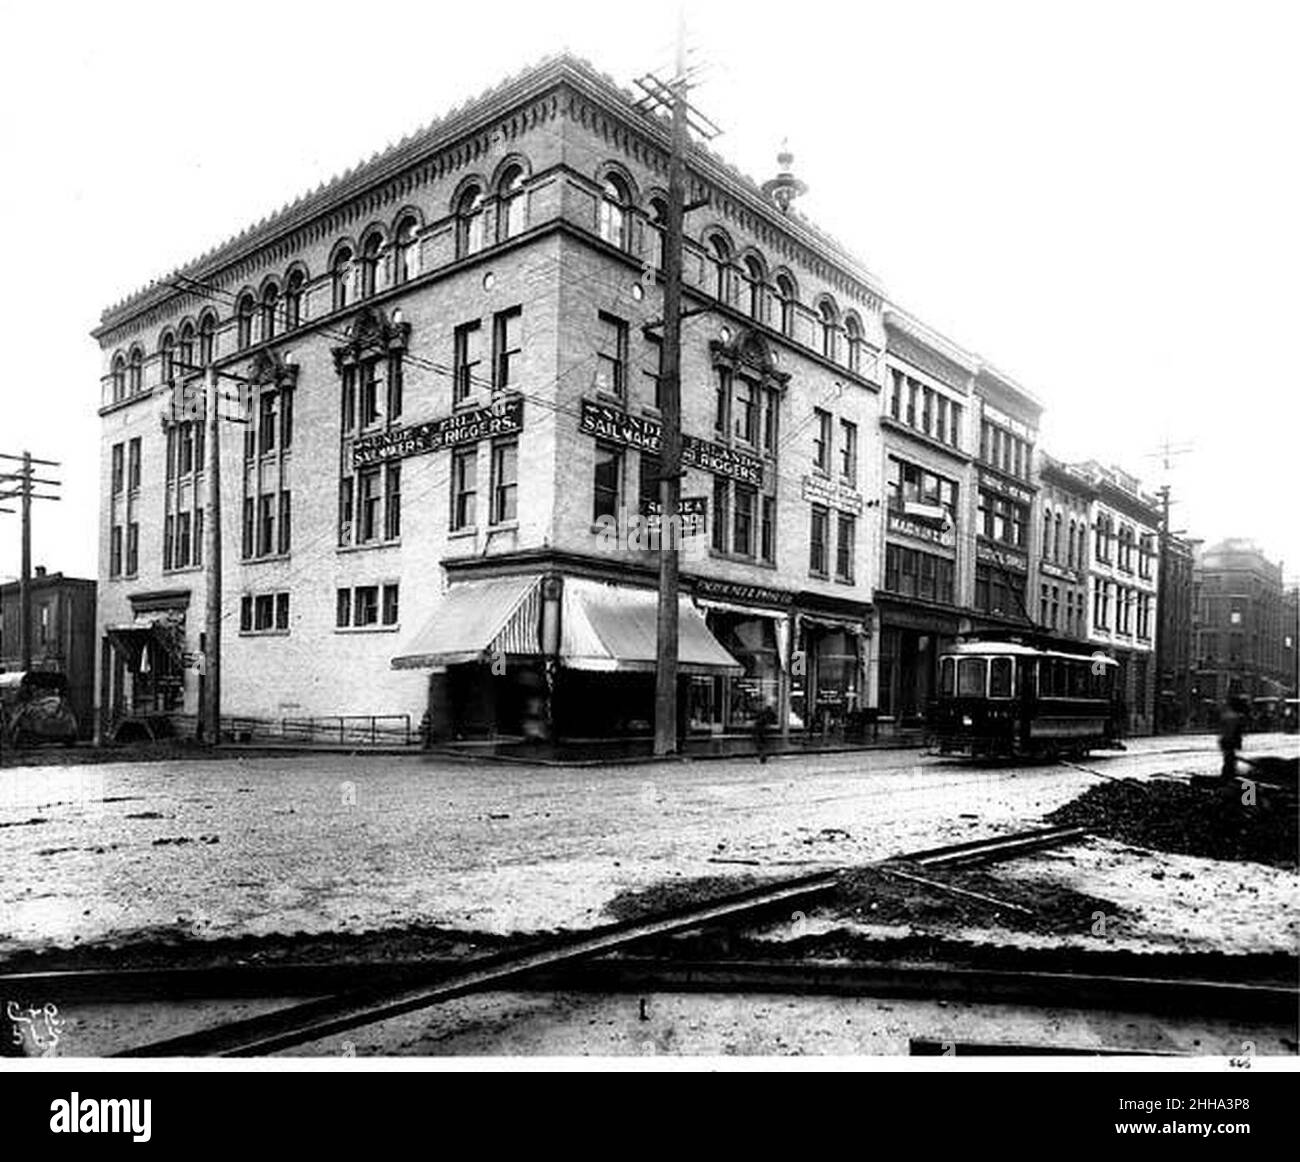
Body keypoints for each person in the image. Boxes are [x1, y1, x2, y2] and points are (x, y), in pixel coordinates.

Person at [1219, 696, 1246, 781]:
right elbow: (1235, 731)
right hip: (1230, 740)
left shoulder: (1227, 715)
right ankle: (1229, 775)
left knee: (1228, 758)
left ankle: (1227, 774)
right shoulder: (1236, 717)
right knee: (1230, 759)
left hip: (1225, 739)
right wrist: (1237, 742)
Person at [753, 700, 777, 765]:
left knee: (760, 744)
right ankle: (762, 757)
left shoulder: (762, 713)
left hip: (759, 729)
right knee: (762, 744)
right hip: (764, 730)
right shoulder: (769, 713)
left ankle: (762, 757)